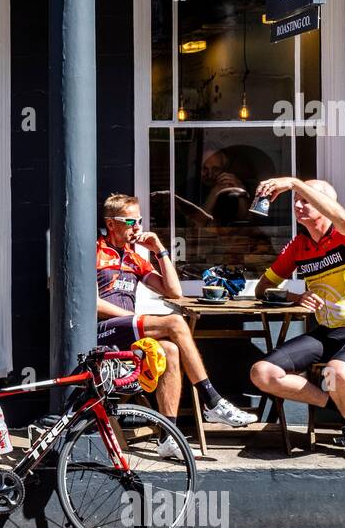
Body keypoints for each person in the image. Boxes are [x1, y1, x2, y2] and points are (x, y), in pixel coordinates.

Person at [97, 193, 257, 456]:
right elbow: (89, 303)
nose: (137, 227)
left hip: (127, 333)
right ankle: (212, 400)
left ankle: (167, 437)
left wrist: (159, 249)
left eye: (139, 220)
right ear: (111, 223)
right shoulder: (95, 251)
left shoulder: (134, 257)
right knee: (174, 323)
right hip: (103, 332)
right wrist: (129, 319)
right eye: (130, 221)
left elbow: (173, 291)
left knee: (171, 351)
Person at [250, 177, 345, 461]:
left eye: (308, 200)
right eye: (296, 201)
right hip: (327, 332)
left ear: (327, 206)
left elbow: (341, 218)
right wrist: (295, 297)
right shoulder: (298, 246)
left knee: (338, 372)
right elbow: (262, 288)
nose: (299, 205)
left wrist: (292, 183)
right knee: (262, 373)